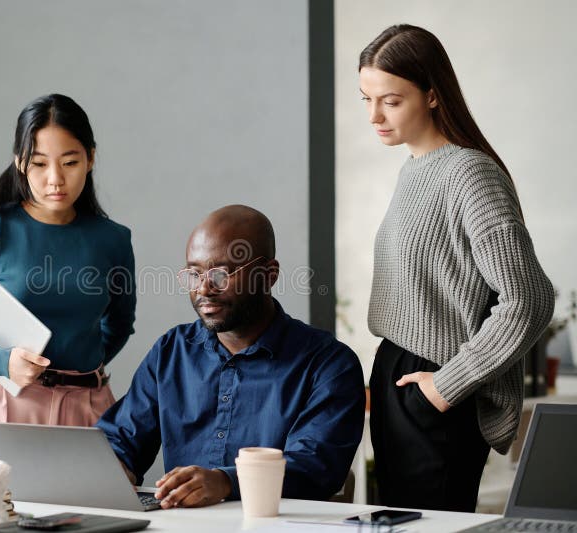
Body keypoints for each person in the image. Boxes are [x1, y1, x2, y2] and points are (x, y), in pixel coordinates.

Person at [359, 25, 554, 512]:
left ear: (431, 94)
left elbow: (528, 299)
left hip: (438, 385)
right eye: (366, 98)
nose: (374, 116)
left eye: (391, 100)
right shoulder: (414, 168)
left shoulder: (470, 174)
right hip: (399, 376)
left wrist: (447, 386)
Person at [0, 94, 136, 471]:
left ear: (91, 159)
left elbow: (119, 325)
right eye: (39, 164)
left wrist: (79, 371)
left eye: (70, 162)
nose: (55, 180)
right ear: (19, 163)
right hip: (0, 405)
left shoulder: (112, 239)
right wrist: (1, 362)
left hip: (86, 411)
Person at [96, 205, 365, 508]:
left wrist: (225, 482)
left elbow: (313, 468)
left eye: (221, 274)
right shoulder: (171, 351)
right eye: (194, 274)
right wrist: (113, 469)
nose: (204, 289)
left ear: (268, 275)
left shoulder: (329, 365)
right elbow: (122, 438)